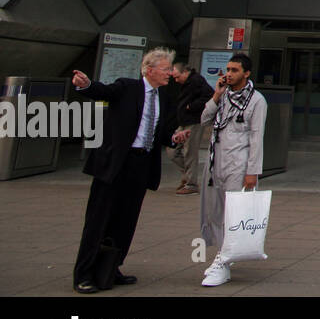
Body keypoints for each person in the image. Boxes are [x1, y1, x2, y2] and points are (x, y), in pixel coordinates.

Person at [69, 48, 184, 293]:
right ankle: (85, 274)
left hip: (140, 165)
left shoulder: (163, 97)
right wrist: (87, 84)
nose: (170, 73)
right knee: (98, 221)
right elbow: (103, 91)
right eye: (166, 69)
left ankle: (111, 267)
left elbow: (161, 132)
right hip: (115, 165)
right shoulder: (127, 87)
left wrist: (174, 138)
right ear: (150, 70)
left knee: (126, 221)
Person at [196, 53, 267, 287]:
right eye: (228, 69)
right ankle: (221, 255)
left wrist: (253, 171)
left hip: (239, 162)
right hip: (216, 160)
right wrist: (216, 95)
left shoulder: (257, 101)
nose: (229, 73)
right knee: (214, 211)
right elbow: (205, 119)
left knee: (232, 214)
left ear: (246, 73)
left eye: (235, 70)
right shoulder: (223, 97)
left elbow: (257, 137)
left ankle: (223, 261)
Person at [168, 59, 213, 195]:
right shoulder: (186, 83)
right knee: (172, 150)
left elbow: (209, 95)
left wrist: (191, 106)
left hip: (193, 121)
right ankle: (188, 177)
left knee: (189, 152)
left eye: (177, 77)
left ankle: (191, 184)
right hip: (183, 121)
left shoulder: (196, 81)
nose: (176, 80)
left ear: (185, 72)